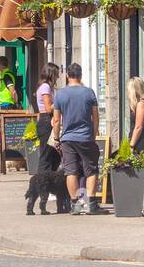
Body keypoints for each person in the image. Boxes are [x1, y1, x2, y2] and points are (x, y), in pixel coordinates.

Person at [52, 63, 101, 215]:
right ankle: (91, 203)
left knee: (71, 171)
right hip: (86, 136)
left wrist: (56, 137)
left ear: (67, 75)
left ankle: (75, 205)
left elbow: (57, 119)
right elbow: (95, 116)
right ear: (80, 75)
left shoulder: (60, 94)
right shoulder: (89, 93)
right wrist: (93, 134)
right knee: (91, 170)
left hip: (68, 138)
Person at [30, 63, 61, 214]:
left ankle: (49, 187)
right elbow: (49, 108)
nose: (58, 76)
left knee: (53, 156)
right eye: (56, 73)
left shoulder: (48, 87)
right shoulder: (45, 88)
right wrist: (62, 102)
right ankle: (42, 186)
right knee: (46, 157)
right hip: (46, 121)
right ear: (51, 74)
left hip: (47, 121)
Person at [127, 77, 144, 157]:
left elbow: (138, 127)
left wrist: (131, 145)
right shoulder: (141, 104)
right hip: (139, 142)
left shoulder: (141, 104)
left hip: (140, 143)